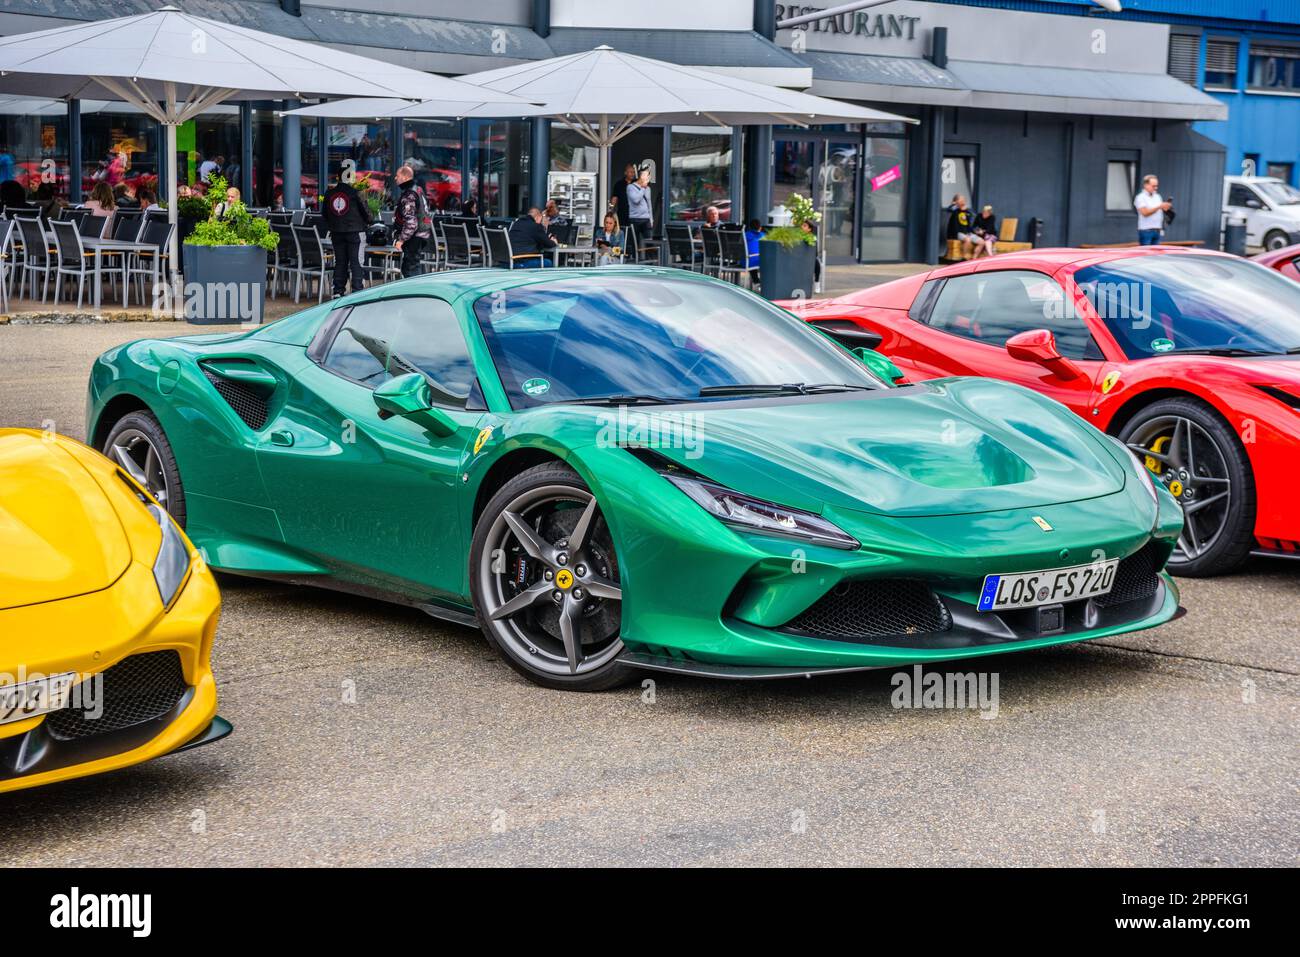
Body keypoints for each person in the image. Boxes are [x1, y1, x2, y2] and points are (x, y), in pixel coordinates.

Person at [322, 172, 372, 297]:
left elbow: (324, 214)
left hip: (336, 232)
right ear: (351, 178)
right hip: (355, 232)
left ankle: (338, 291)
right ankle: (357, 292)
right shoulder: (356, 193)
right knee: (356, 262)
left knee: (340, 262)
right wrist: (370, 220)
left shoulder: (329, 194)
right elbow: (367, 214)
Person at [392, 165, 432, 278]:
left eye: (397, 175)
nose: (395, 178)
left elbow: (411, 222)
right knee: (411, 265)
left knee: (410, 268)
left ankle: (415, 293)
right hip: (420, 235)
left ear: (405, 177)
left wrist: (401, 240)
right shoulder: (418, 190)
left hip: (413, 237)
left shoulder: (410, 194)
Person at [1135, 174, 1170, 246]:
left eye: (1157, 186)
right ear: (1146, 185)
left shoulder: (1157, 196)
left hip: (1157, 230)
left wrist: (1165, 207)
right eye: (1153, 186)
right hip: (1146, 231)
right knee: (1145, 255)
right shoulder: (1140, 197)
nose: (1156, 188)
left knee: (1155, 256)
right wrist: (1159, 206)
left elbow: (1161, 210)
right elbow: (1145, 213)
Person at [626, 167, 653, 244]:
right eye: (647, 175)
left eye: (649, 175)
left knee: (649, 243)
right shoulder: (630, 187)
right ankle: (635, 256)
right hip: (634, 219)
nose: (649, 177)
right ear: (641, 176)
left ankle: (650, 256)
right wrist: (643, 187)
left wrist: (651, 219)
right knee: (634, 243)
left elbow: (649, 204)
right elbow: (636, 200)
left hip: (646, 219)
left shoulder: (648, 188)